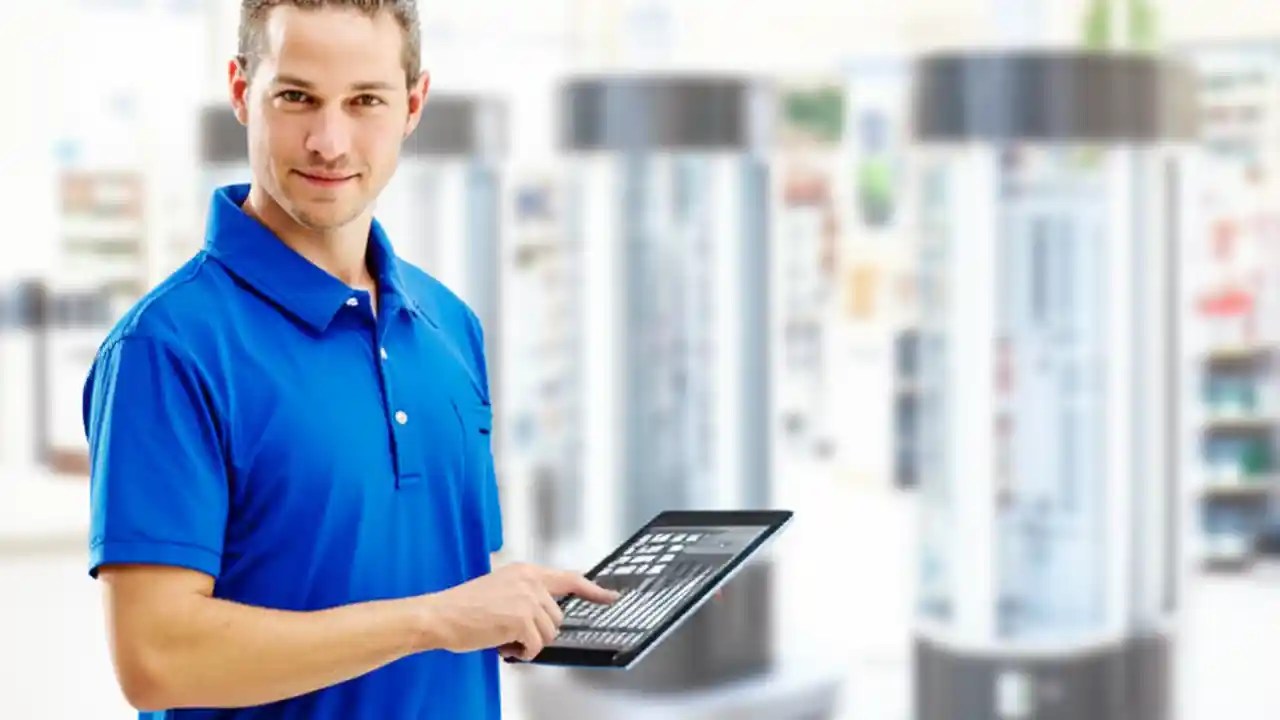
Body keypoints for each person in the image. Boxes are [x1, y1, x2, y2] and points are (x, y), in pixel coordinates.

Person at [80, 1, 618, 717]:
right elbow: (158, 660)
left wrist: (508, 608)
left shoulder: (449, 325)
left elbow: (438, 577)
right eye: (297, 97)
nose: (329, 142)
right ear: (242, 93)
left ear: (413, 104)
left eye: (365, 101)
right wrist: (436, 617)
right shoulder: (167, 349)